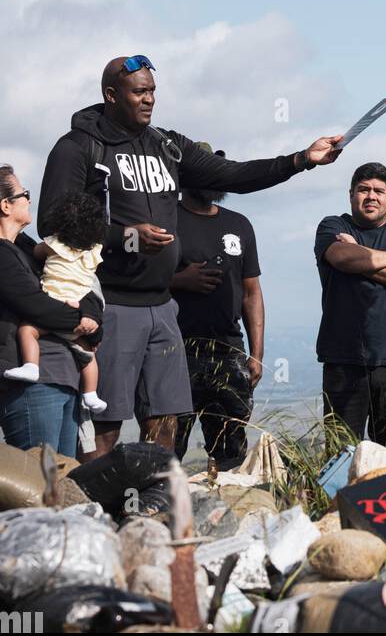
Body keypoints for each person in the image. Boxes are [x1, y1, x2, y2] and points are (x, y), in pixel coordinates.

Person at [37, 53, 342, 459]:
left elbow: (233, 174)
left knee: (165, 421)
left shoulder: (167, 146)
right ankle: (93, 498)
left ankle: (156, 495)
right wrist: (126, 238)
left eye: (152, 91)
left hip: (165, 310)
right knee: (104, 424)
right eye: (139, 92)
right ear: (111, 95)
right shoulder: (79, 147)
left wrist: (301, 160)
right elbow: (52, 223)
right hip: (113, 305)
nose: (149, 99)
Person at [314, 162, 386, 455]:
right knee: (341, 456)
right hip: (342, 360)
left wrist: (360, 255)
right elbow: (342, 258)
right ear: (351, 194)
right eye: (363, 189)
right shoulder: (333, 226)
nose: (371, 196)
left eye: (379, 191)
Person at [171, 144, 264, 469]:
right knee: (166, 454)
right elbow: (137, 280)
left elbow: (252, 293)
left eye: (216, 170)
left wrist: (256, 354)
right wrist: (181, 281)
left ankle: (226, 502)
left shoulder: (239, 224)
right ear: (183, 176)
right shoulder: (165, 218)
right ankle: (161, 501)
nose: (212, 177)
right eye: (204, 170)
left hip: (228, 353)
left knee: (230, 456)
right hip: (175, 351)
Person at [0, 167, 102, 457]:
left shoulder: (27, 247)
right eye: (24, 194)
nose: (29, 200)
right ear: (6, 205)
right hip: (32, 387)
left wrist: (93, 319)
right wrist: (85, 324)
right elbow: (37, 306)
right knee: (41, 476)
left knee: (63, 475)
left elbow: (82, 285)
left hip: (64, 376)